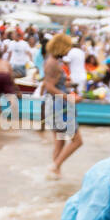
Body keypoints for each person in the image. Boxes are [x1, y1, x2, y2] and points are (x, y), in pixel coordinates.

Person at [44, 33, 81, 179]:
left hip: (55, 104)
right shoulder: (53, 63)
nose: (69, 50)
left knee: (59, 141)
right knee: (77, 141)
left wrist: (67, 85)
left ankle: (54, 173)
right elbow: (49, 87)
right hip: (59, 105)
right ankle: (55, 166)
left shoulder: (51, 61)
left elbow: (53, 83)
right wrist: (70, 98)